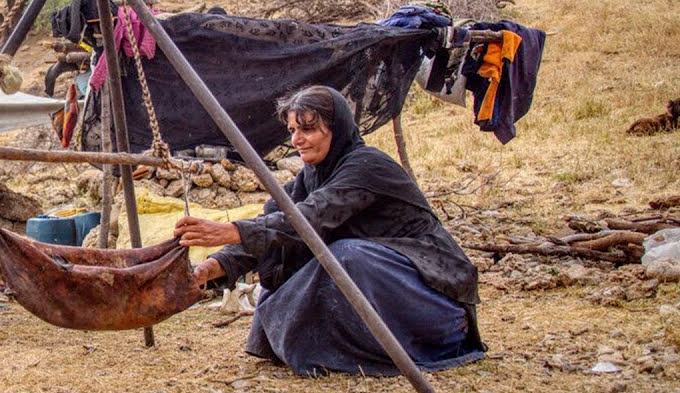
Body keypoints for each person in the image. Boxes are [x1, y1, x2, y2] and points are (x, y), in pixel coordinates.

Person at [174, 85, 486, 376]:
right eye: (293, 130)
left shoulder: (367, 166)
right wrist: (209, 269)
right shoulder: (310, 177)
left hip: (436, 305)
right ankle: (332, 350)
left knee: (345, 256)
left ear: (336, 129)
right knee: (288, 258)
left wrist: (232, 230)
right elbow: (277, 221)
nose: (298, 139)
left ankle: (395, 347)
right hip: (387, 298)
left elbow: (309, 218)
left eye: (308, 129)